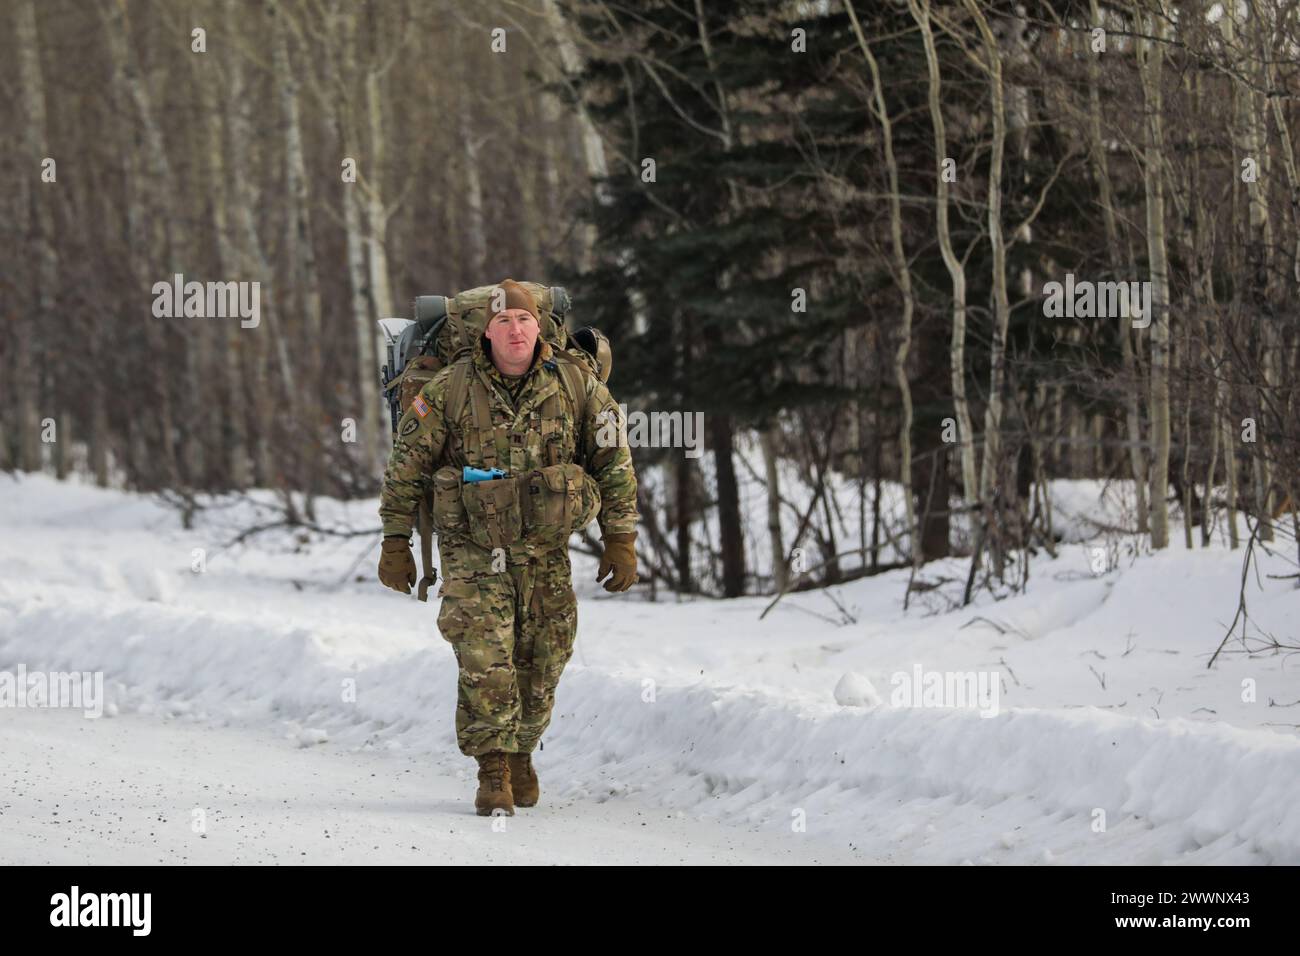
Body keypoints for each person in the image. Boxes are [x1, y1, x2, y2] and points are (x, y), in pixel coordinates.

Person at [376, 278, 639, 815]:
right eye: (503, 322)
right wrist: (395, 539)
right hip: (473, 546)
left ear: (537, 326)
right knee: (485, 656)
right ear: (486, 333)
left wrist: (622, 536)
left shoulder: (575, 382)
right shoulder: (450, 387)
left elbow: (613, 458)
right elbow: (406, 467)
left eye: (522, 320)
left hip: (544, 547)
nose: (515, 330)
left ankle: (522, 752)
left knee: (545, 657)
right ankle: (493, 769)